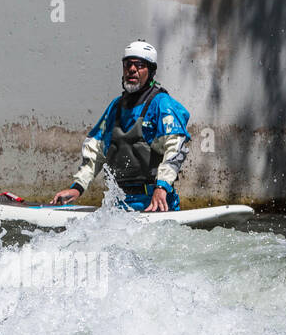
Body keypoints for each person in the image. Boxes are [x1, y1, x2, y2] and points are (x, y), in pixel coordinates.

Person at [50, 40, 190, 213]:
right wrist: (77, 188)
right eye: (128, 64)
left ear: (151, 71)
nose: (132, 69)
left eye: (139, 65)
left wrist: (161, 188)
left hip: (155, 202)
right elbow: (95, 148)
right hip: (118, 205)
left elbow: (176, 147)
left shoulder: (162, 104)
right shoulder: (115, 107)